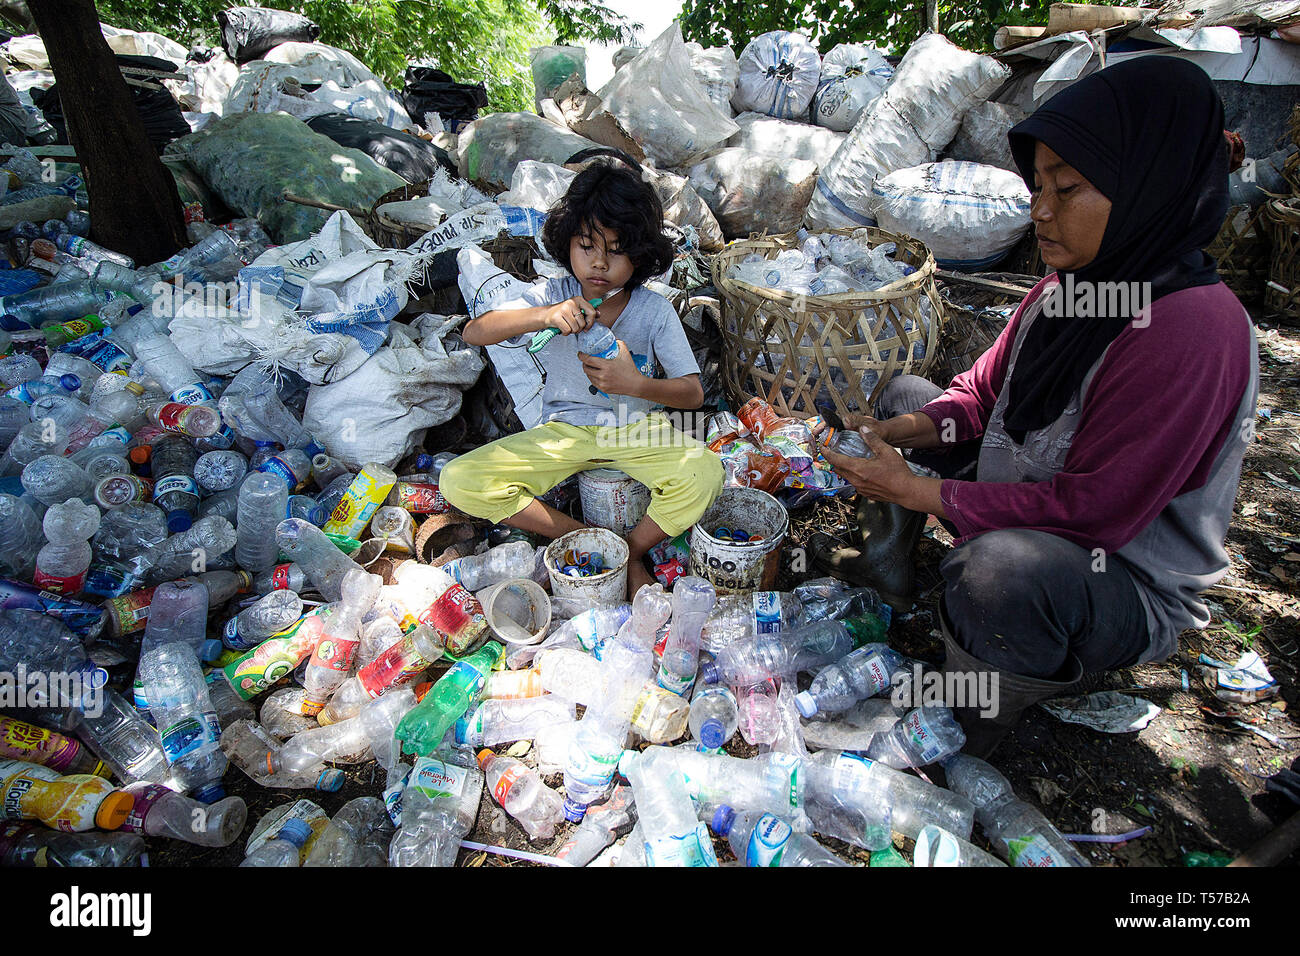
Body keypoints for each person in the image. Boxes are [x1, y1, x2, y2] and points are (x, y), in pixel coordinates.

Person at [814, 57, 1259, 757]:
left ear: (1146, 183)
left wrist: (917, 488)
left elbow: (1095, 513)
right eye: (1039, 186)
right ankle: (890, 571)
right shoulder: (1069, 291)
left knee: (999, 576)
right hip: (1031, 502)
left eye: (1068, 188)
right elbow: (982, 397)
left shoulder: (1191, 326)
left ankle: (981, 716)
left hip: (1117, 573)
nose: (1041, 210)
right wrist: (897, 431)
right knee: (904, 396)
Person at [440, 159, 723, 596]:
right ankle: (580, 536)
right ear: (567, 244)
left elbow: (691, 393)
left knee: (705, 473)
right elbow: (476, 331)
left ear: (640, 255)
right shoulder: (554, 295)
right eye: (587, 246)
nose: (599, 263)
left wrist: (635, 384)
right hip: (563, 433)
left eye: (616, 250)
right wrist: (543, 316)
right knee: (458, 479)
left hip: (635, 430)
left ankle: (628, 550)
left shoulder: (653, 309)